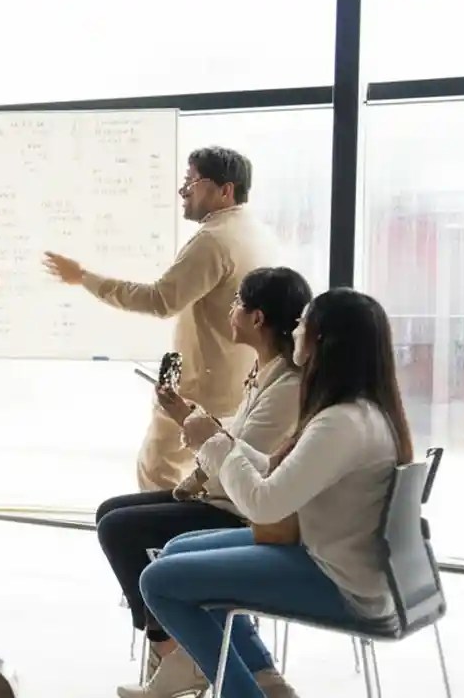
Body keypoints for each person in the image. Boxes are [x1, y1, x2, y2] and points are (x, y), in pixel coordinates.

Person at [131, 288, 413, 698]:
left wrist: (214, 445)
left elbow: (264, 504)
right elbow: (279, 474)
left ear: (322, 340)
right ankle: (264, 679)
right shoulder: (366, 413)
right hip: (341, 559)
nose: (296, 329)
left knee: (159, 580)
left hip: (335, 576)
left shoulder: (340, 423)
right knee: (177, 549)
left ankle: (241, 692)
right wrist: (220, 440)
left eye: (304, 323)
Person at [95, 267, 313, 697]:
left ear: (257, 318)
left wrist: (198, 435)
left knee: (119, 528)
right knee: (112, 513)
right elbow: (236, 437)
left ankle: (177, 651)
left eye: (237, 303)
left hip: (244, 510)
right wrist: (186, 417)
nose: (230, 311)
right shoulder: (266, 374)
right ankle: (187, 653)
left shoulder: (287, 386)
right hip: (232, 498)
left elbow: (243, 461)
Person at [42, 147, 278, 492]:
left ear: (225, 190)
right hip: (237, 383)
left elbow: (159, 300)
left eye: (192, 183)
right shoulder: (257, 232)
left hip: (201, 388)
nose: (184, 192)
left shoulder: (213, 241)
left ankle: (158, 545)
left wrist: (84, 278)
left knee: (159, 477)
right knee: (211, 484)